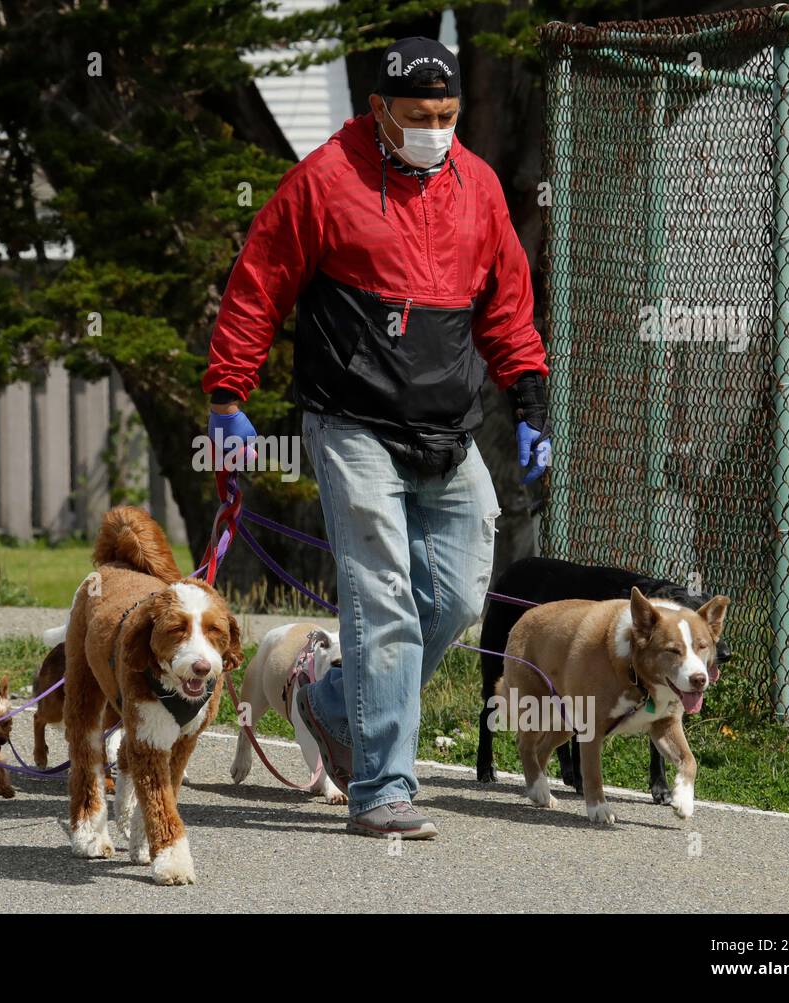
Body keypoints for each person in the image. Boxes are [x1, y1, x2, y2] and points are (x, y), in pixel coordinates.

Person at [202, 36, 550, 839]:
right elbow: (257, 285)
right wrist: (228, 396)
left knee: (459, 596)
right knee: (383, 597)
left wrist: (530, 403)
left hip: (447, 428)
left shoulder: (479, 188)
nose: (436, 128)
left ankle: (329, 703)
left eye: (449, 115)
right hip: (351, 420)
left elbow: (506, 307)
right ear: (379, 110)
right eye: (420, 115)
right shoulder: (324, 182)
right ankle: (382, 786)